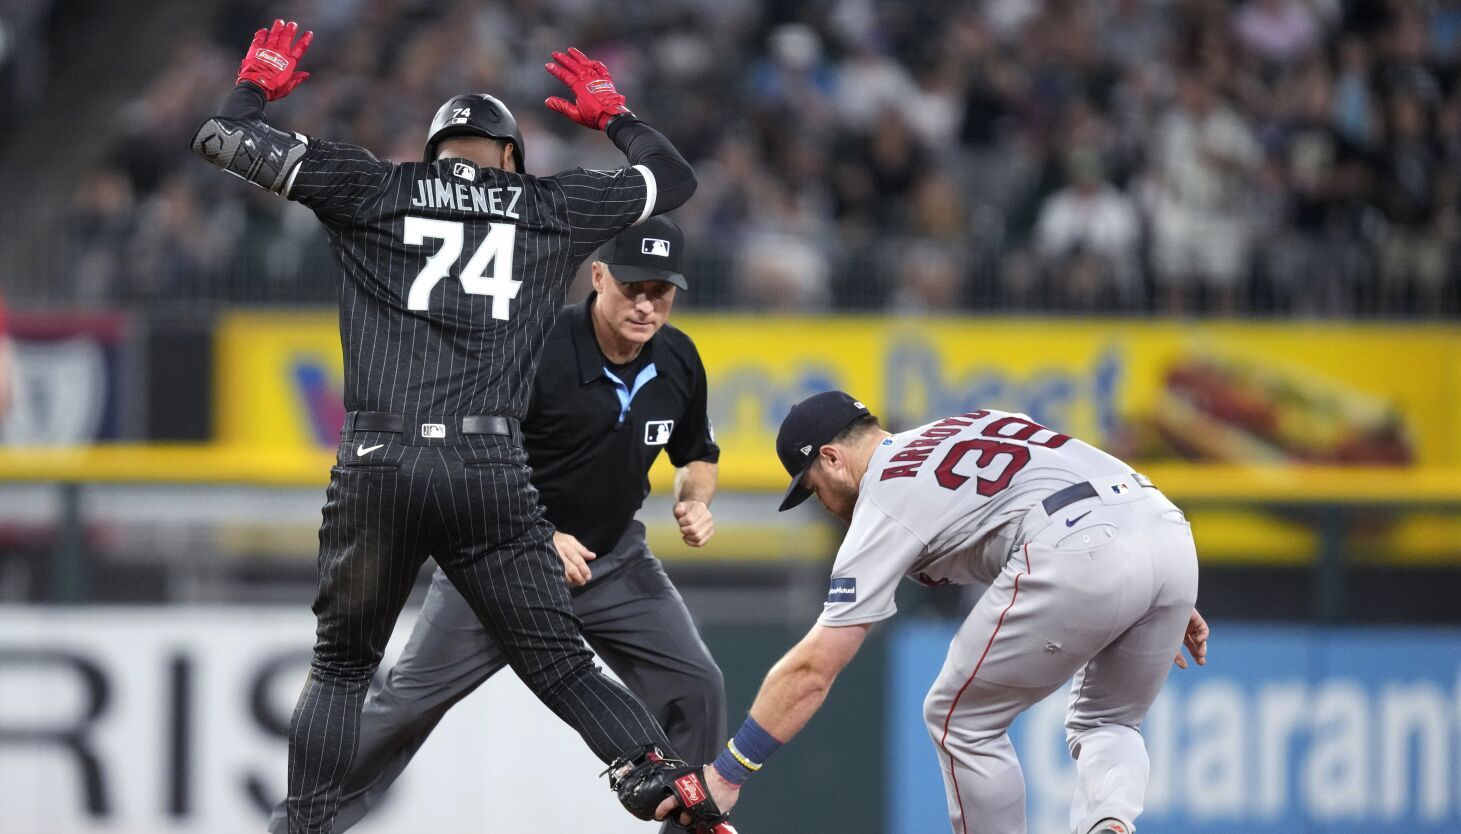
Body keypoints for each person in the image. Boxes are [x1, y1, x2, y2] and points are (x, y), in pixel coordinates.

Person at [191, 20, 721, 833]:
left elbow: (222, 137)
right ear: (511, 158)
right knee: (561, 663)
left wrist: (256, 86)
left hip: (378, 458)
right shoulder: (548, 206)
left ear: (434, 151)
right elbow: (672, 178)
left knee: (341, 668)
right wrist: (615, 114)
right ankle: (654, 774)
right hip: (488, 469)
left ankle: (298, 826)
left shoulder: (373, 185)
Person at [265, 216, 726, 834]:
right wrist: (537, 532)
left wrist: (695, 497)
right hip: (496, 559)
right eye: (632, 287)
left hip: (613, 560)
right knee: (403, 706)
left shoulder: (678, 357)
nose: (645, 305)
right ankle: (298, 829)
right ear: (598, 277)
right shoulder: (534, 347)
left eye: (660, 292)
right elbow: (466, 456)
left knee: (696, 686)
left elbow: (697, 454)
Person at [667, 392, 1209, 834]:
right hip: (1164, 531)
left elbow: (815, 668)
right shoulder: (980, 420)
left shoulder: (884, 495)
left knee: (959, 719)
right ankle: (1108, 823)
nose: (824, 505)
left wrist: (729, 772)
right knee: (1108, 720)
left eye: (813, 488)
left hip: (1082, 547)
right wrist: (1154, 580)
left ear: (831, 457)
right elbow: (1083, 475)